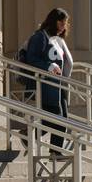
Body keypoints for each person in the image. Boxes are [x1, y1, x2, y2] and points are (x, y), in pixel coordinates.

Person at [22, 8, 74, 150]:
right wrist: (48, 65)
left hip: (60, 85)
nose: (64, 26)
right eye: (62, 22)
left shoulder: (58, 40)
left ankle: (55, 151)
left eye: (66, 23)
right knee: (53, 118)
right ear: (54, 22)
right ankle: (28, 134)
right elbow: (31, 58)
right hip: (45, 86)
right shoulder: (40, 37)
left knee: (62, 119)